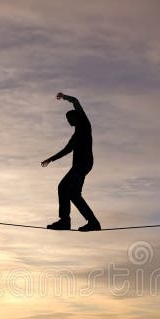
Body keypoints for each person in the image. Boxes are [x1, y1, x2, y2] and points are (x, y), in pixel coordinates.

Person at [41, 92, 101, 231]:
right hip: (82, 165)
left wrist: (64, 97)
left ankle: (64, 221)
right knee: (74, 194)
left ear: (76, 117)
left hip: (83, 164)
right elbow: (66, 150)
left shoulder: (85, 125)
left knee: (63, 187)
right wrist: (51, 159)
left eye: (69, 118)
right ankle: (93, 222)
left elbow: (76, 101)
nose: (68, 121)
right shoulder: (75, 137)